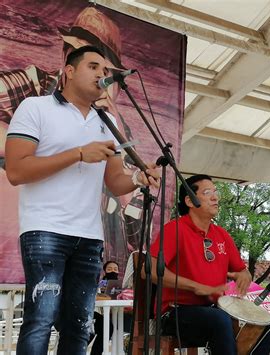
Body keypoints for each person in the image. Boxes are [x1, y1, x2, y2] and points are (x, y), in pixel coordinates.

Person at [5, 45, 160, 355]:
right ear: (70, 71)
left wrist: (137, 178)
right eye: (93, 67)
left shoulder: (107, 122)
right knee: (41, 318)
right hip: (45, 229)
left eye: (105, 71)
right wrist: (77, 153)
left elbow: (115, 182)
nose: (102, 75)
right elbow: (17, 170)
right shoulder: (36, 107)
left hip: (89, 236)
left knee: (80, 323)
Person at [148, 174, 270, 354]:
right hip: (175, 312)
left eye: (215, 192)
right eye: (207, 192)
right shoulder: (174, 229)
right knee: (219, 320)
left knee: (268, 326)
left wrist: (243, 276)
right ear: (189, 200)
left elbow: (243, 271)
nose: (215, 197)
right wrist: (197, 287)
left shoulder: (222, 235)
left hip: (213, 311)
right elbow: (152, 271)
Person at [89, 260, 120, 355]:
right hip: (93, 312)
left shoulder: (119, 285)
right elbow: (95, 295)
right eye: (109, 269)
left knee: (109, 327)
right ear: (105, 271)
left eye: (115, 269)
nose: (113, 271)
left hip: (109, 313)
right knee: (106, 327)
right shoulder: (100, 283)